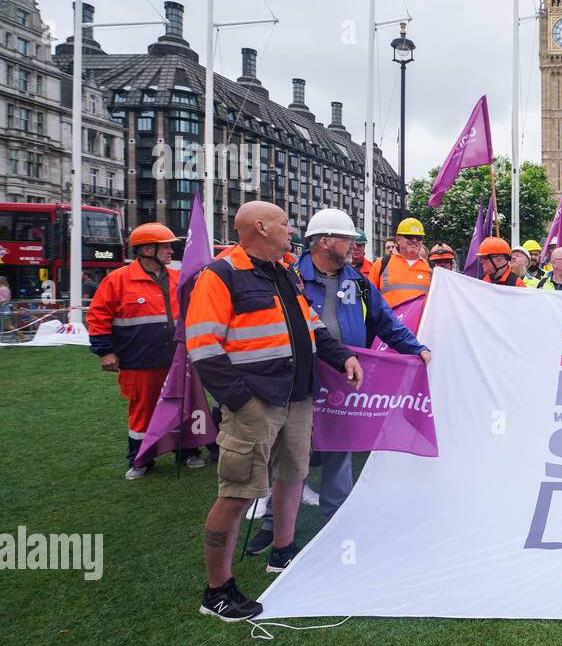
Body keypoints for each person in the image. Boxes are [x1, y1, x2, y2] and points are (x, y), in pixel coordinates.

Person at [186, 201, 362, 621]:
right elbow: (203, 348)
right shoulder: (220, 276)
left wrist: (340, 358)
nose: (292, 229)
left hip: (297, 398)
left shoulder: (284, 272)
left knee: (293, 474)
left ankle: (283, 551)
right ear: (261, 227)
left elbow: (311, 325)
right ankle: (218, 590)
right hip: (256, 403)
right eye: (285, 223)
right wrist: (241, 401)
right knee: (237, 492)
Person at [248, 209, 431, 554]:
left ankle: (336, 521)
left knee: (339, 450)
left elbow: (386, 322)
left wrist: (416, 348)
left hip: (346, 378)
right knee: (289, 453)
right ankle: (272, 525)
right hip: (299, 378)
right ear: (325, 240)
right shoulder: (289, 278)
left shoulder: (359, 281)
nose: (354, 245)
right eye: (347, 238)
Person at [86, 221, 198, 480]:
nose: (171, 251)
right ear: (148, 250)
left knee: (183, 406)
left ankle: (188, 452)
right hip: (139, 361)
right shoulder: (117, 280)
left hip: (177, 358)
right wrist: (105, 352)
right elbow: (98, 317)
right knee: (142, 411)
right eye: (166, 247)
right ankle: (140, 459)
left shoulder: (178, 279)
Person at [369, 217, 431, 308]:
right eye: (409, 237)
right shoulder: (381, 264)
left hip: (420, 322)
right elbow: (369, 298)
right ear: (398, 239)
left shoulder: (430, 269)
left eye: (419, 238)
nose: (414, 241)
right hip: (389, 322)